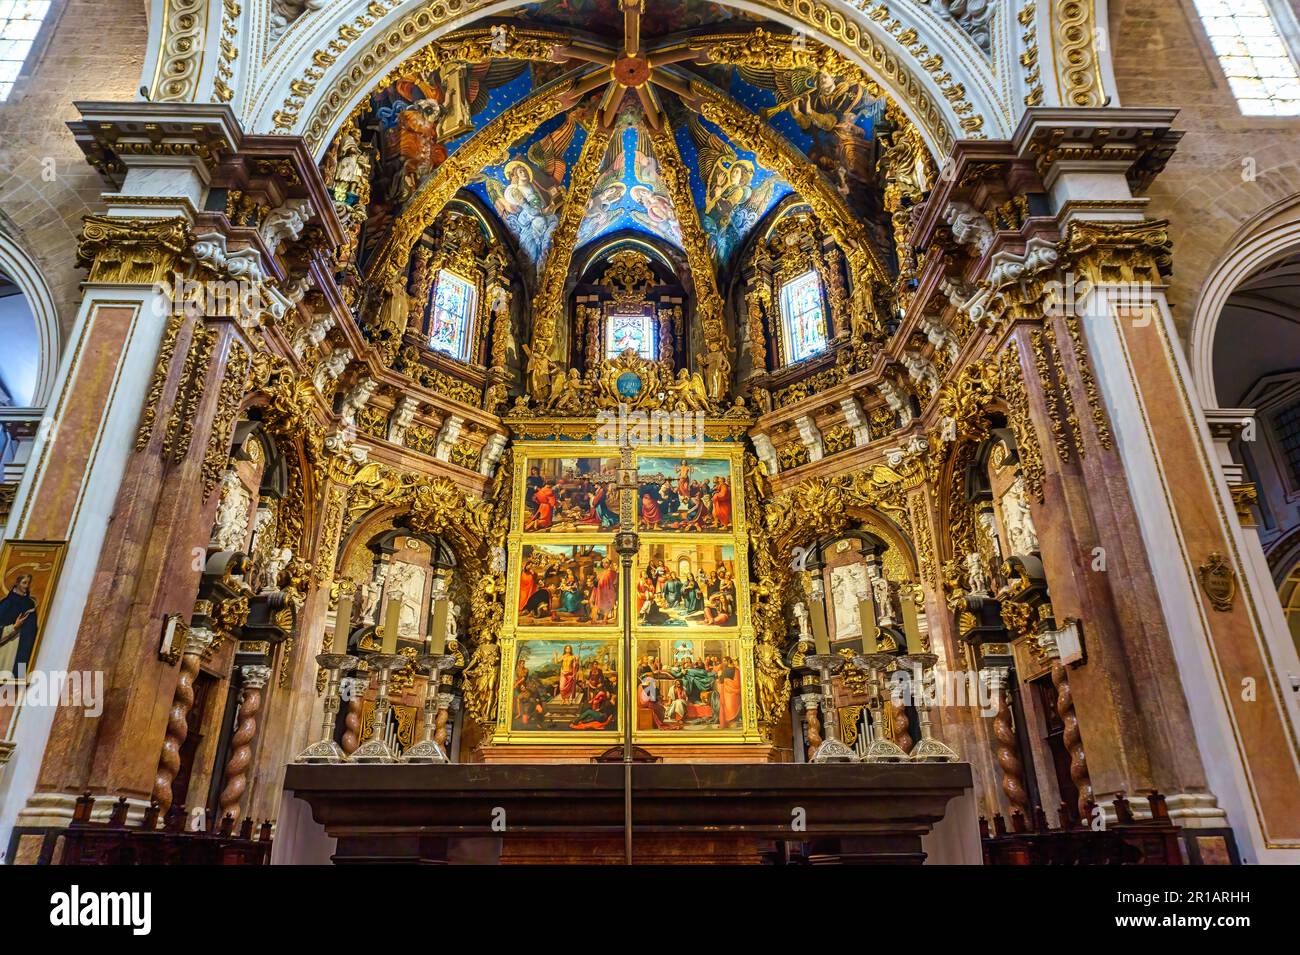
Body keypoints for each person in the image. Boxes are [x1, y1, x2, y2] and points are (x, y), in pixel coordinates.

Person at [0, 574, 38, 674]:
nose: (26, 586)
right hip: (5, 649)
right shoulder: (6, 604)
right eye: (24, 583)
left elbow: (32, 630)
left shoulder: (30, 605)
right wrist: (14, 627)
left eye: (28, 583)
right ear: (17, 583)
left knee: (16, 680)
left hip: (21, 649)